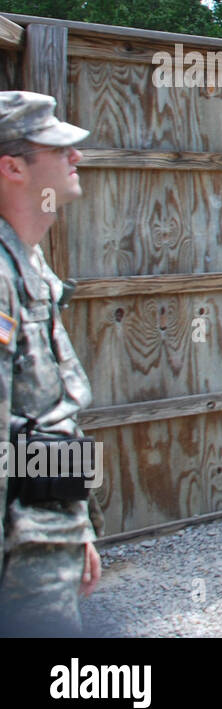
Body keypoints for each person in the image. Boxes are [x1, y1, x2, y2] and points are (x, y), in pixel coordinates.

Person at [0, 91, 100, 636]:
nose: (75, 157)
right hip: (17, 551)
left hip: (45, 533)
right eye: (58, 148)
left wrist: (76, 526)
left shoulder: (31, 263)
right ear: (12, 166)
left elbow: (51, 420)